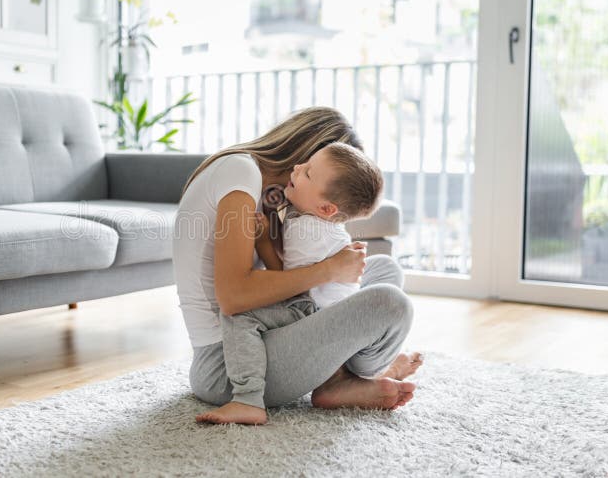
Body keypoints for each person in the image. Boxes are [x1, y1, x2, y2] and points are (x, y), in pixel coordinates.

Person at [171, 107, 423, 426]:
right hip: (225, 367)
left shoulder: (271, 196)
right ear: (309, 152)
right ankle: (347, 378)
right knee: (390, 302)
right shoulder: (240, 172)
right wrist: (329, 269)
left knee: (384, 270)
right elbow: (234, 298)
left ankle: (341, 379)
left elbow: (284, 285)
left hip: (261, 339)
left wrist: (330, 265)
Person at [213, 141, 389, 420]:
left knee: (239, 316)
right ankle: (372, 370)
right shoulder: (317, 223)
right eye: (305, 163)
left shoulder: (310, 230)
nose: (296, 168)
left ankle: (248, 398)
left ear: (326, 207)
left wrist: (262, 244)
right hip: (327, 307)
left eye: (307, 173)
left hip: (311, 309)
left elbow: (290, 285)